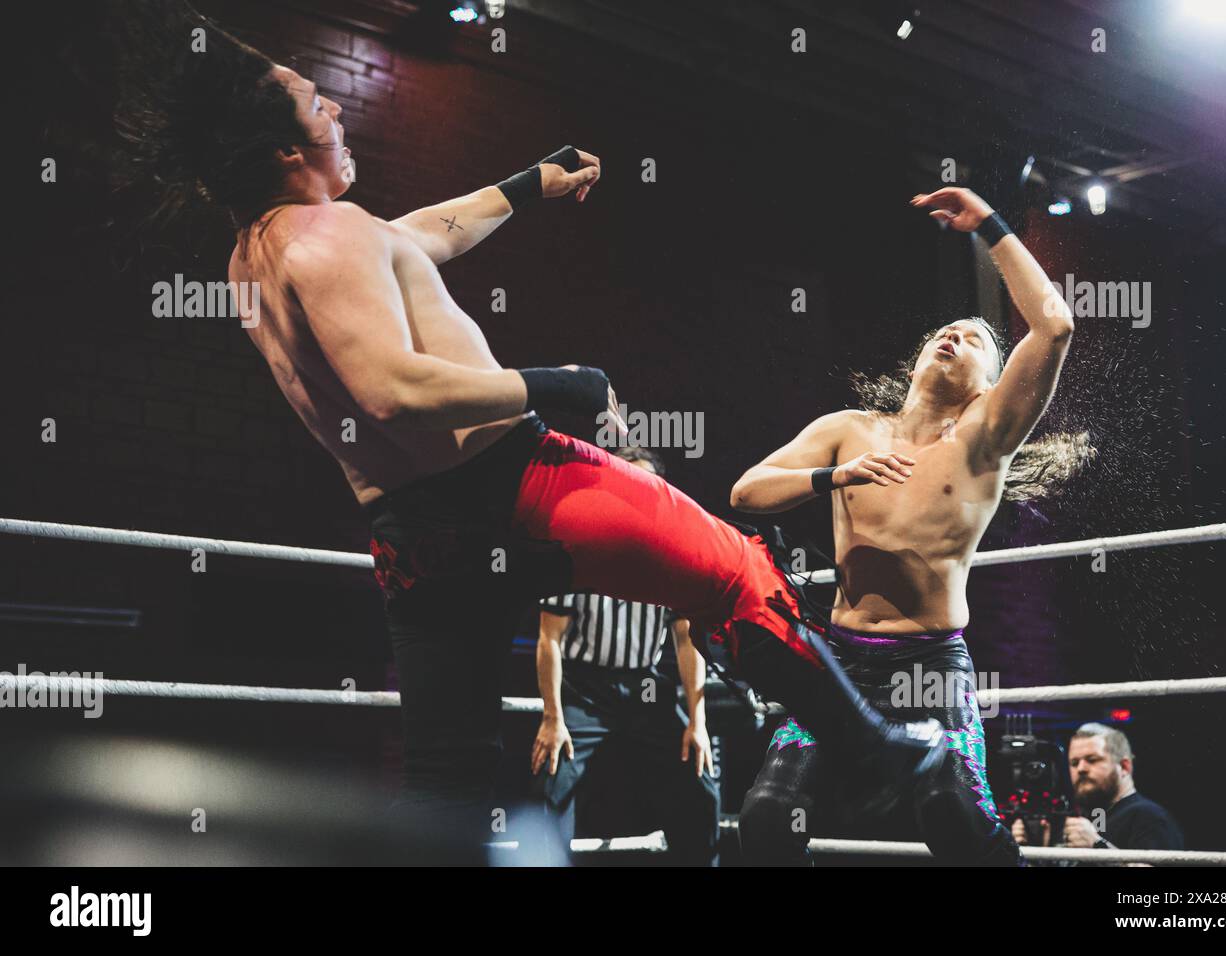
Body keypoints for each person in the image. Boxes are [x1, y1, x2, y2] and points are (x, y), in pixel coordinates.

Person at [112, 2, 944, 855]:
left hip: (416, 535)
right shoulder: (330, 234)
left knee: (446, 779)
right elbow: (391, 390)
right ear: (289, 149)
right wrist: (564, 384)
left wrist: (523, 186)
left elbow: (422, 239)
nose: (336, 109)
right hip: (520, 486)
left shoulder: (262, 252)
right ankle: (876, 757)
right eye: (317, 103)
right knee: (740, 573)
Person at [733, 187, 1092, 866]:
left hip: (928, 663)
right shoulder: (847, 432)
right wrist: (832, 478)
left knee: (956, 818)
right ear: (920, 358)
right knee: (769, 817)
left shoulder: (985, 437)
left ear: (990, 382)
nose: (954, 336)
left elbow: (1054, 326)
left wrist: (988, 225)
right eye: (944, 333)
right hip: (839, 660)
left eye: (975, 339)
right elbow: (747, 492)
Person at [531, 447, 720, 865]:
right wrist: (552, 717)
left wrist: (697, 721)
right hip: (582, 689)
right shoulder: (576, 546)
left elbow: (687, 641)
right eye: (624, 483)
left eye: (643, 485)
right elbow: (550, 640)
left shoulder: (674, 553)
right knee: (552, 774)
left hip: (645, 688)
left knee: (699, 773)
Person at [1013, 722, 1184, 854]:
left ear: (1124, 767)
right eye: (1074, 763)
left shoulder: (1149, 817)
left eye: (1092, 759)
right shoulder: (1094, 815)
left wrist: (1097, 847)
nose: (1081, 769)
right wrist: (1041, 849)